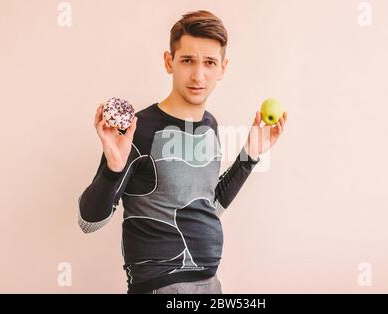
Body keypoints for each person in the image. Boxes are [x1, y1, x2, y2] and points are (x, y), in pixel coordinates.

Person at [78, 10, 287, 294]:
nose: (198, 75)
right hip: (158, 287)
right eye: (187, 60)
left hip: (211, 285)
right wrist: (113, 170)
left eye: (209, 63)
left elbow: (206, 207)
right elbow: (88, 223)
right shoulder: (138, 130)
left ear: (222, 69)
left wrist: (249, 155)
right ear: (169, 62)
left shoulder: (210, 126)